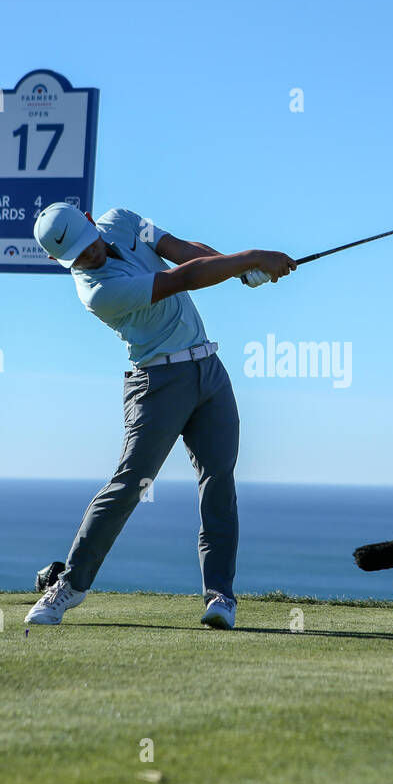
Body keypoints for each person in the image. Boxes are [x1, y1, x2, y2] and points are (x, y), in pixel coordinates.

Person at [24, 203, 296, 629]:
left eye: (87, 243)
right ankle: (70, 586)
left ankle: (220, 596)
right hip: (158, 384)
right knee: (131, 483)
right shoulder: (96, 291)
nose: (88, 256)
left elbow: (184, 252)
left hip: (210, 372)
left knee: (218, 481)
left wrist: (240, 269)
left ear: (93, 221)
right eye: (76, 256)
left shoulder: (122, 220)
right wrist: (251, 258)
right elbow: (181, 279)